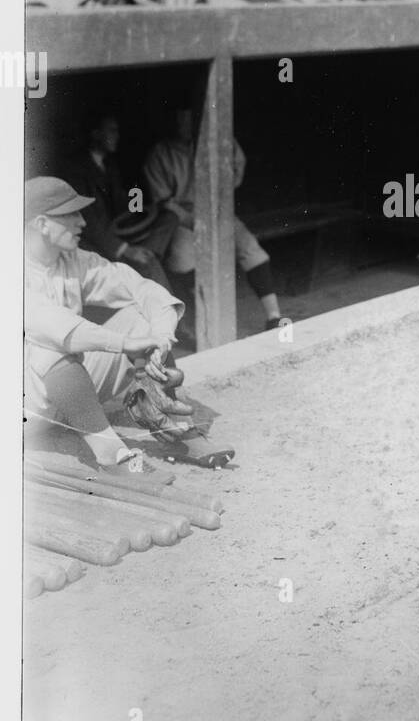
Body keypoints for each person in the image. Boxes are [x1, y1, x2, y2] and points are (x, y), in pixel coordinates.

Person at [24, 177, 191, 475]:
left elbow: (138, 287)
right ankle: (111, 455)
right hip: (23, 408)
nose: (82, 222)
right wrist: (125, 345)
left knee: (141, 321)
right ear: (41, 223)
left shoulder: (73, 260)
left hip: (67, 398)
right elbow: (53, 325)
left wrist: (161, 336)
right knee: (49, 347)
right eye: (70, 214)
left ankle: (169, 424)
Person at [142, 108, 282, 332]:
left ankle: (274, 316)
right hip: (182, 216)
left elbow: (238, 165)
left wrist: (223, 191)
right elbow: (163, 201)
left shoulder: (214, 140)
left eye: (188, 120)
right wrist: (192, 222)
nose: (184, 126)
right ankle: (203, 322)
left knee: (250, 248)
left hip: (217, 209)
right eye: (179, 121)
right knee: (181, 259)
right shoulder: (160, 153)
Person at [62, 110, 178, 287]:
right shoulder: (75, 169)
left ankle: (142, 257)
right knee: (148, 263)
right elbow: (89, 224)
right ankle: (143, 263)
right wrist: (125, 249)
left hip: (119, 233)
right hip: (98, 243)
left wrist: (142, 211)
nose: (117, 136)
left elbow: (124, 208)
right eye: (112, 130)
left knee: (169, 218)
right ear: (96, 133)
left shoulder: (111, 165)